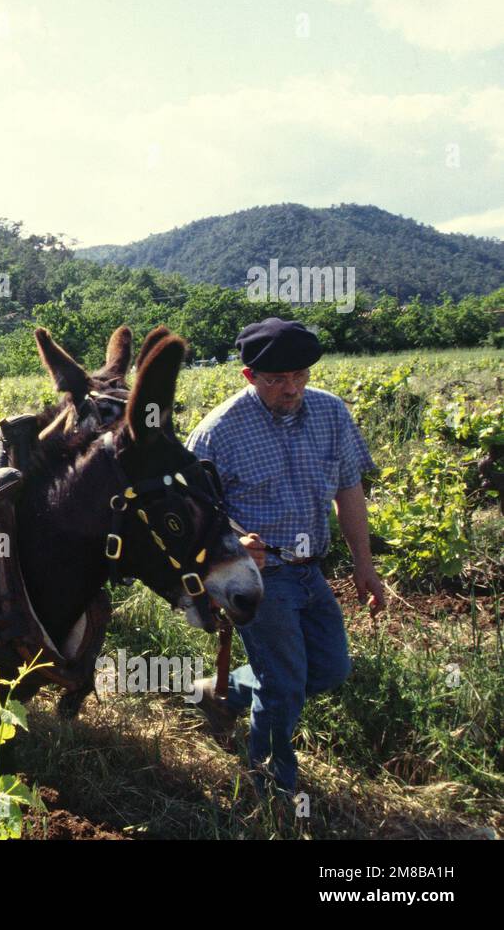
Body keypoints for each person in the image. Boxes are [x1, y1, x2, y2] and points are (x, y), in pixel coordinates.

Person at [185, 317, 386, 799]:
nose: (291, 388)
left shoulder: (331, 414)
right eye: (277, 380)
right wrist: (233, 543)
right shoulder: (218, 433)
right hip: (258, 578)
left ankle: (221, 689)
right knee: (285, 686)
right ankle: (271, 787)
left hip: (310, 569)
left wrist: (364, 562)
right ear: (249, 376)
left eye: (299, 376)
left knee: (331, 668)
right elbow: (193, 518)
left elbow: (349, 488)